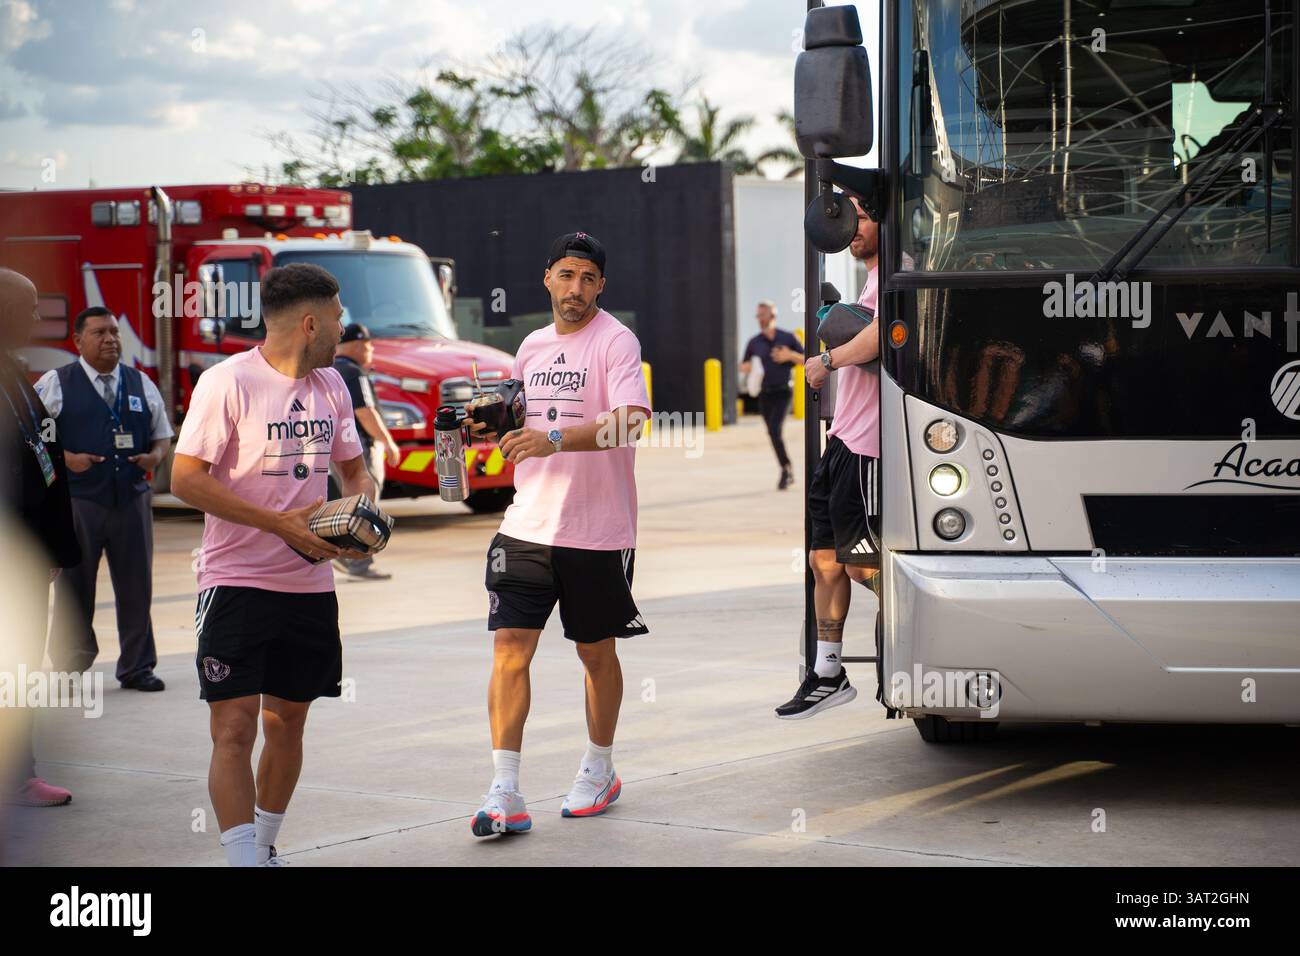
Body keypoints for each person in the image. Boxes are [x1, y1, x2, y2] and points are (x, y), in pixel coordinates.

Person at [170, 263, 372, 866]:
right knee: (233, 729)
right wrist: (277, 523)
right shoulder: (227, 383)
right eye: (336, 319)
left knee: (287, 723)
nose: (343, 330)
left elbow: (354, 469)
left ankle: (261, 846)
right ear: (310, 323)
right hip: (236, 583)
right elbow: (184, 479)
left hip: (310, 587)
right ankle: (242, 862)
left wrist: (360, 520)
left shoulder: (333, 385)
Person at [470, 231, 651, 837]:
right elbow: (523, 420)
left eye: (588, 279)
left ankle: (600, 767)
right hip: (526, 525)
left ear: (601, 286)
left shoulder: (616, 341)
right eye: (566, 275)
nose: (576, 289)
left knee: (595, 653)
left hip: (596, 530)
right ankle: (504, 792)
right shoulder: (530, 346)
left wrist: (551, 439)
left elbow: (630, 424)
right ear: (547, 277)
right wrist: (489, 427)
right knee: (509, 650)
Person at [775, 196, 882, 719]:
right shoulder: (869, 280)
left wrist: (826, 358)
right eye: (850, 218)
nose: (852, 227)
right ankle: (828, 672)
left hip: (868, 449)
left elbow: (884, 336)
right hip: (842, 441)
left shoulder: (898, 274)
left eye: (863, 217)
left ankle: (935, 634)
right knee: (823, 561)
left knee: (863, 567)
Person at [36, 307, 173, 691]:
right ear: (78, 341)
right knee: (74, 587)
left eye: (114, 332)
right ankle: (69, 665)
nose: (111, 339)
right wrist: (68, 460)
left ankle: (137, 667)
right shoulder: (56, 384)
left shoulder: (139, 382)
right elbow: (34, 440)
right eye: (99, 333)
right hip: (80, 502)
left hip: (131, 499)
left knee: (136, 586)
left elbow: (162, 433)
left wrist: (156, 456)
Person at [0, 267, 80, 807]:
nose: (36, 316)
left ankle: (19, 774)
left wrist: (51, 545)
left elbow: (40, 462)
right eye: (28, 306)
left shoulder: (16, 375)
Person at [330, 322, 399, 581]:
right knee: (364, 505)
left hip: (336, 448)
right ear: (358, 345)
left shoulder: (331, 370)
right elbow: (365, 412)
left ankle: (344, 557)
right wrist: (388, 442)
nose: (371, 350)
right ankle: (357, 564)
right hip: (359, 446)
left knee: (346, 504)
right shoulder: (353, 372)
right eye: (369, 344)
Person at [740, 300, 804, 489]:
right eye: (758, 315)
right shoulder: (754, 342)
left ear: (772, 316)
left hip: (783, 392)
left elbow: (808, 359)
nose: (760, 319)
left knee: (775, 430)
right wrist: (749, 367)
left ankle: (786, 470)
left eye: (763, 315)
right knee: (772, 432)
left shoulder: (788, 338)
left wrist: (790, 355)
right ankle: (786, 467)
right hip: (764, 394)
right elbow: (743, 365)